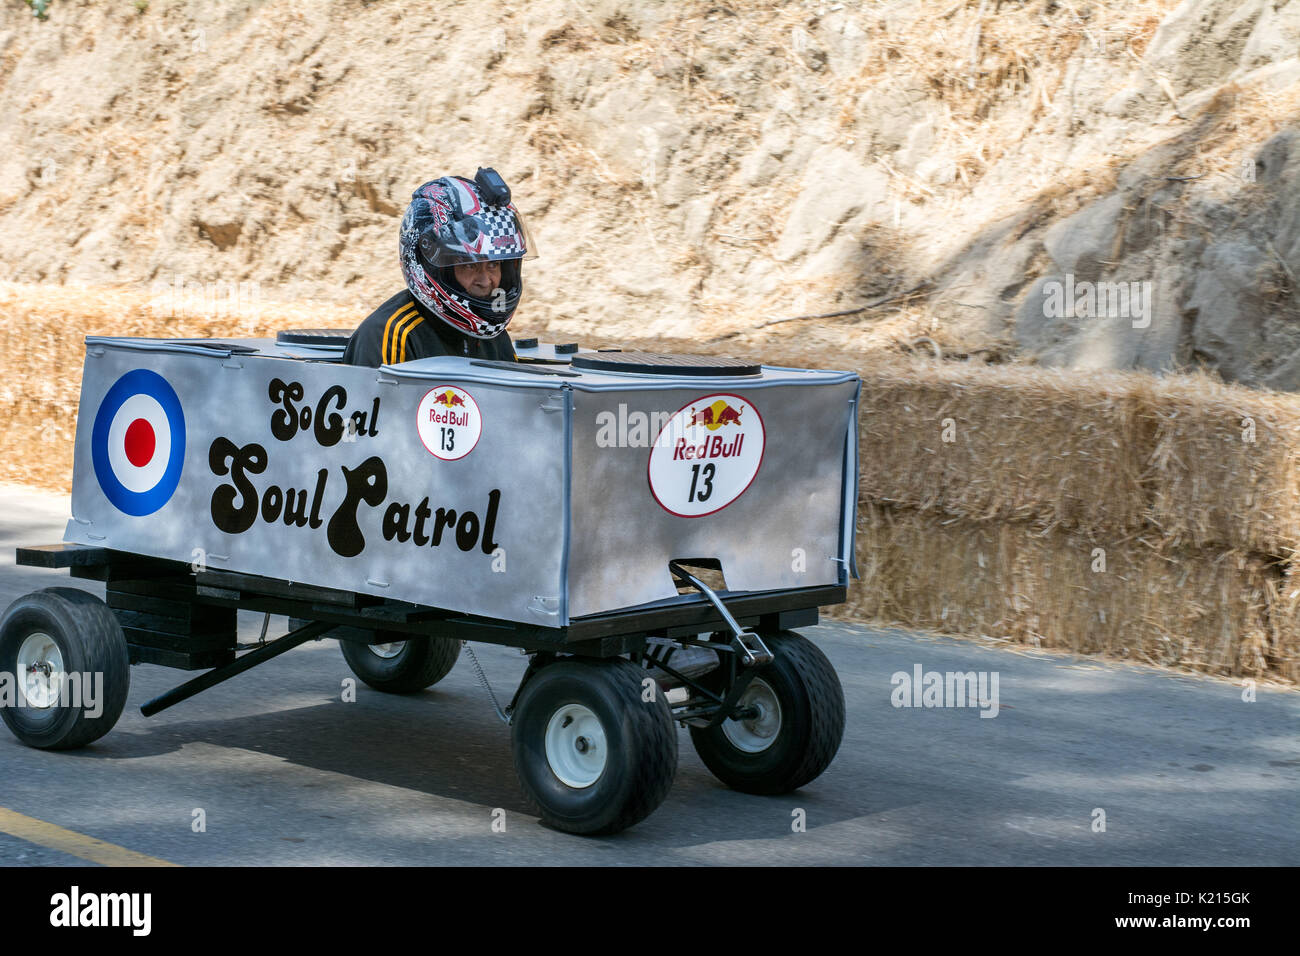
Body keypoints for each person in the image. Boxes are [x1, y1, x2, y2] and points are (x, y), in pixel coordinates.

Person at [342, 168, 533, 366]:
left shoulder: (492, 335)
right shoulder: (390, 335)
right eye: (469, 265)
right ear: (436, 267)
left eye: (493, 264)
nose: (485, 281)